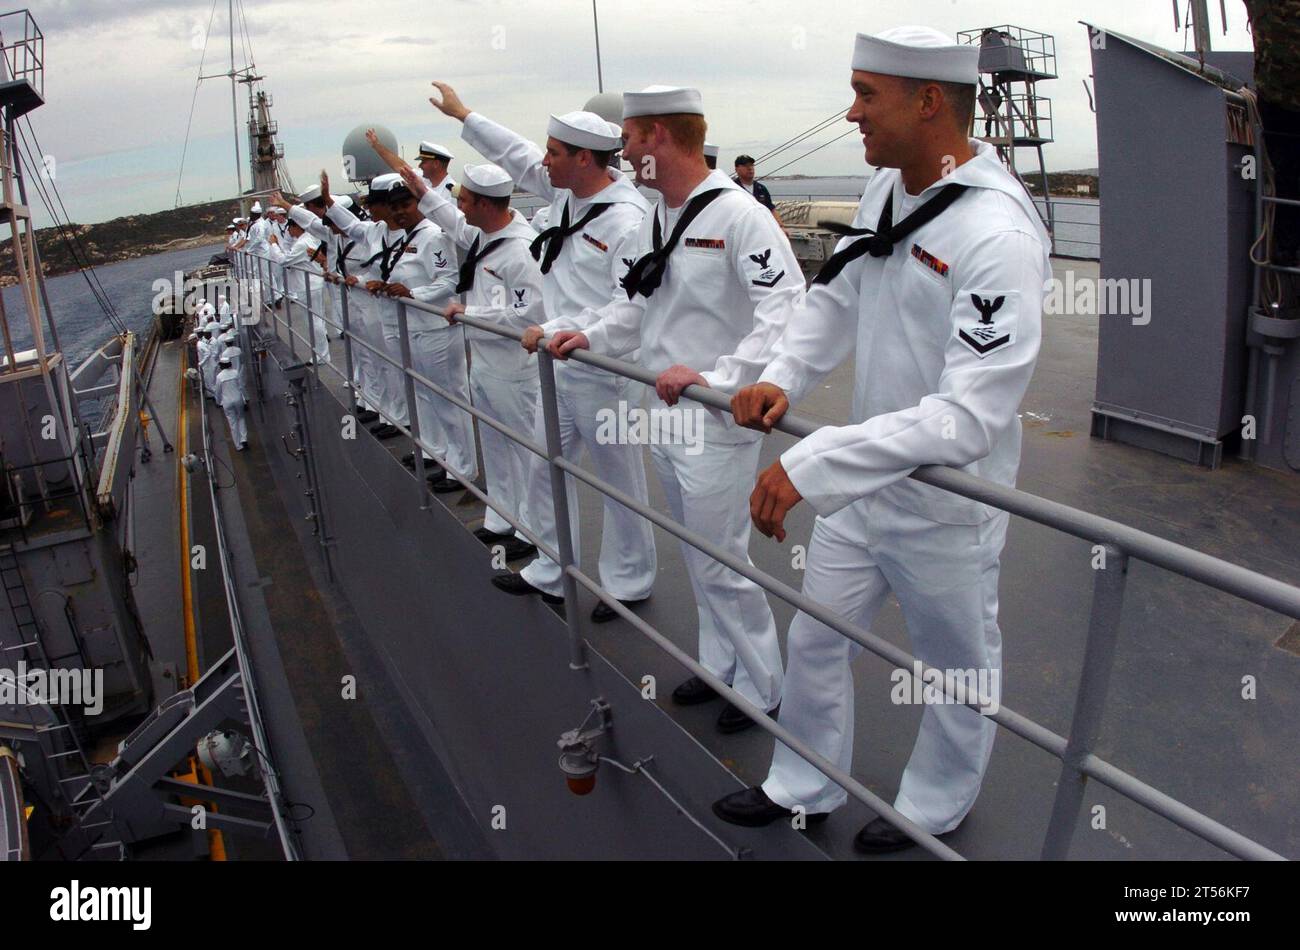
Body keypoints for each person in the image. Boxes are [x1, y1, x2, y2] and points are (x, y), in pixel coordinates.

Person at [711, 25, 1051, 853]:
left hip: (945, 504)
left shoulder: (997, 235)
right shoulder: (891, 192)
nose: (852, 112)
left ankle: (932, 806)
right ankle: (804, 783)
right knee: (816, 635)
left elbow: (969, 416)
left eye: (868, 94)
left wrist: (817, 458)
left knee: (956, 669)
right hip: (863, 485)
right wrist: (785, 373)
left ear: (928, 101)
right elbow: (837, 292)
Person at [547, 85, 801, 733]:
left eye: (629, 139)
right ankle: (721, 667)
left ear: (659, 136)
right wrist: (590, 337)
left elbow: (785, 312)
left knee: (722, 559)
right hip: (663, 411)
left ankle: (764, 687)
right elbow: (635, 303)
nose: (624, 152)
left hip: (714, 418)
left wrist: (720, 376)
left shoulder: (741, 217)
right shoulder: (659, 216)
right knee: (696, 555)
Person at [428, 81, 658, 622]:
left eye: (554, 152)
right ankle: (554, 568)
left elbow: (629, 306)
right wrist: (465, 114)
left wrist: (569, 328)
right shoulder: (567, 195)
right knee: (540, 465)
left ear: (583, 158)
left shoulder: (626, 219)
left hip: (603, 368)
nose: (543, 160)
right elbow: (513, 152)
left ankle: (630, 583)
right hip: (556, 363)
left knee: (619, 482)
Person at [400, 161, 542, 561]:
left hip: (513, 369)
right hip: (483, 360)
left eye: (463, 198)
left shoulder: (522, 249)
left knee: (523, 451)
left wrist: (469, 313)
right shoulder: (483, 236)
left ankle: (531, 530)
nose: (458, 205)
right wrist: (418, 185)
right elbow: (446, 217)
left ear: (483, 203)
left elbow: (530, 315)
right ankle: (502, 516)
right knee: (495, 446)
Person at [322, 173, 411, 440]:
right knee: (385, 365)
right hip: (381, 313)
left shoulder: (419, 234)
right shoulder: (375, 231)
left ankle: (402, 418)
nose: (369, 209)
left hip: (411, 317)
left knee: (403, 371)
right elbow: (351, 226)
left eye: (373, 203)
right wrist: (328, 201)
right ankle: (394, 415)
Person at [214, 356, 248, 451]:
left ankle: (238, 445)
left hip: (227, 402)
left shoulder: (219, 377)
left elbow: (218, 392)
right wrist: (244, 400)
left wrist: (218, 402)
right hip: (238, 399)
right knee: (241, 418)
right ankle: (244, 439)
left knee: (233, 423)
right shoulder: (235, 373)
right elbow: (240, 387)